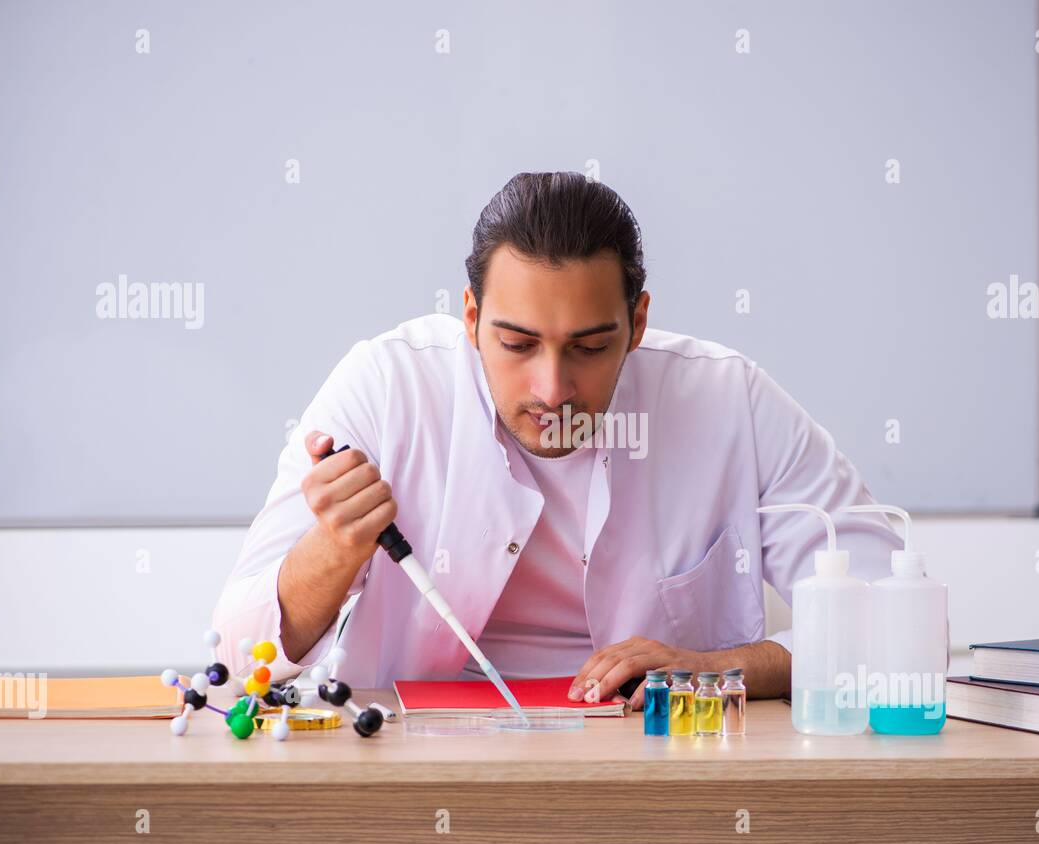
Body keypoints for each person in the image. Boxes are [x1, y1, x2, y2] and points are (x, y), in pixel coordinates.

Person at [211, 171, 902, 710]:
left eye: (591, 346)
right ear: (472, 318)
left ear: (637, 322)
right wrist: (332, 551)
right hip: (411, 773)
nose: (552, 388)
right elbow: (236, 659)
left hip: (658, 779)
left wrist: (723, 667)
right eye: (516, 343)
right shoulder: (387, 387)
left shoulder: (728, 401)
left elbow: (891, 621)